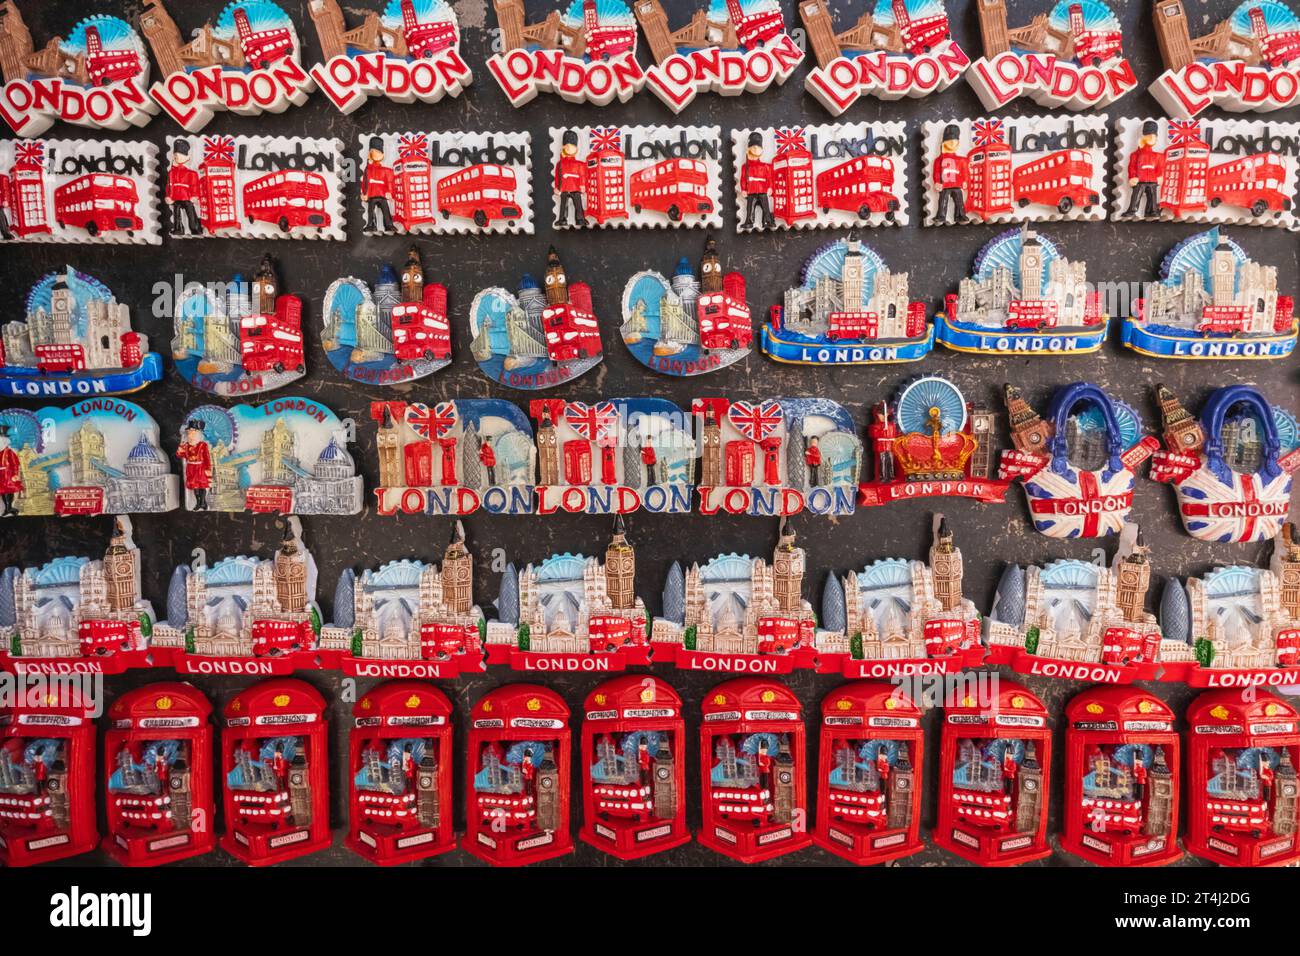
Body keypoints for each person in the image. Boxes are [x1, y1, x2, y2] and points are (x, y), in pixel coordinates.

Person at [1124, 120, 1164, 219]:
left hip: (1152, 179)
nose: (1151, 138)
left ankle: (1152, 211)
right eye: (1148, 136)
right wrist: (1132, 176)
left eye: (1153, 136)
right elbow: (1132, 166)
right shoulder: (1135, 154)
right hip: (1139, 179)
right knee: (1136, 195)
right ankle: (1132, 210)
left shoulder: (1158, 156)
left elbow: (1160, 167)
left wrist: (1159, 176)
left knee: (1152, 197)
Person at [931, 124, 968, 224]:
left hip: (957, 184)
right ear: (944, 142)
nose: (952, 144)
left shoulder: (962, 160)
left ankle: (960, 215)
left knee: (959, 201)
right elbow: (937, 172)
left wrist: (965, 181)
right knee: (942, 201)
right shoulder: (939, 160)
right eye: (949, 141)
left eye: (954, 142)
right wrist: (937, 182)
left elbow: (965, 172)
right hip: (945, 185)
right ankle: (941, 216)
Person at [166, 139, 202, 236]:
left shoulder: (191, 173)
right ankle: (178, 229)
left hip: (187, 196)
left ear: (187, 157)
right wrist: (168, 196)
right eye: (176, 155)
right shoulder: (171, 173)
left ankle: (195, 228)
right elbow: (169, 185)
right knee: (176, 214)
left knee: (190, 213)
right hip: (175, 196)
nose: (177, 157)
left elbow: (194, 185)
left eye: (180, 156)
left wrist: (194, 195)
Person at [739, 132, 774, 230]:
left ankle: (768, 221)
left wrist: (770, 187)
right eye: (753, 147)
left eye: (757, 147)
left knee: (765, 208)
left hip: (763, 189)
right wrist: (743, 189)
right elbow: (743, 179)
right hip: (751, 189)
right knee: (750, 208)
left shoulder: (765, 166)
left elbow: (769, 178)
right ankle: (749, 222)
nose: (755, 149)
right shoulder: (744, 167)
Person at [177, 419, 213, 511]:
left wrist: (208, 468)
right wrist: (181, 446)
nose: (190, 434)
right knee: (194, 486)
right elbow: (179, 455)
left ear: (198, 433)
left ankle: (203, 502)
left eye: (193, 432)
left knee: (202, 486)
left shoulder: (202, 445)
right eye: (189, 432)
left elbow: (207, 457)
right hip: (191, 468)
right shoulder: (187, 446)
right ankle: (198, 503)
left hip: (200, 467)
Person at [363, 136, 395, 232]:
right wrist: (364, 193)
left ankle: (389, 224)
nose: (375, 154)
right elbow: (365, 182)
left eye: (378, 152)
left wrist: (390, 192)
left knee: (386, 210)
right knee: (370, 211)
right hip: (372, 194)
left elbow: (389, 182)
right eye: (373, 152)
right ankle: (371, 225)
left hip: (382, 194)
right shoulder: (368, 170)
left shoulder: (385, 170)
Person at [555, 130, 586, 226]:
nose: (569, 148)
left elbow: (582, 175)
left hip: (575, 187)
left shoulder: (579, 164)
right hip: (564, 187)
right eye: (567, 146)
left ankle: (580, 219)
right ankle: (562, 219)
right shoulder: (559, 164)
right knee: (563, 205)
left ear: (576, 148)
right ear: (563, 147)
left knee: (578, 205)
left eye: (571, 147)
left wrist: (583, 185)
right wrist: (556, 187)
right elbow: (558, 176)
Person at [869, 401, 896, 483]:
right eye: (881, 415)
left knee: (890, 461)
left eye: (885, 414)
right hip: (880, 446)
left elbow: (893, 434)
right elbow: (873, 435)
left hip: (889, 446)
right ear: (877, 415)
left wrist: (888, 434)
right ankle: (882, 477)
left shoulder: (891, 425)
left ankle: (891, 476)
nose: (883, 417)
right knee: (881, 462)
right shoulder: (875, 426)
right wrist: (882, 431)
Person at [0, 424, 22, 517]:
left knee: (9, 490)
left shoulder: (9, 452)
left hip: (8, 475)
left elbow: (15, 463)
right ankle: (7, 508)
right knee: (3, 491)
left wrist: (15, 474)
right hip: (1, 475)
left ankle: (9, 507)